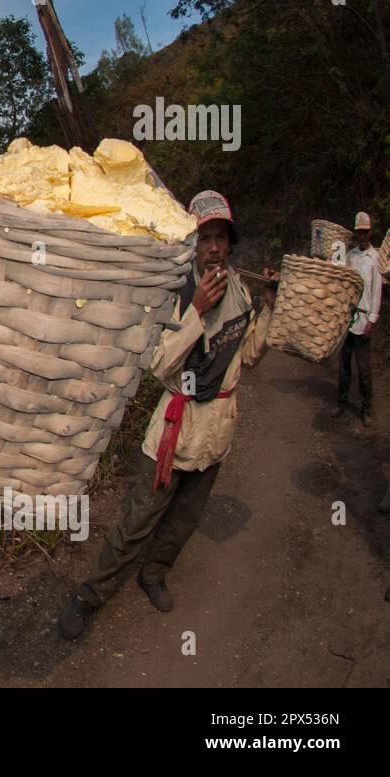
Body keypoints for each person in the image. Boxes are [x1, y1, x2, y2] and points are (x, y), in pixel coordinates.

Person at [58, 191, 277, 639]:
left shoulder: (241, 291)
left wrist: (271, 304)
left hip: (216, 431)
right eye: (205, 238)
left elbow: (250, 354)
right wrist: (196, 310)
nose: (214, 247)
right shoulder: (173, 291)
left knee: (185, 519)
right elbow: (158, 364)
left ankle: (154, 574)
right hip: (175, 428)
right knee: (138, 520)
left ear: (230, 244)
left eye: (221, 237)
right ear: (192, 245)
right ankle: (89, 595)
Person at [331, 211, 382, 428]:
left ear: (370, 233)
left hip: (363, 318)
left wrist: (372, 319)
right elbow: (340, 280)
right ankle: (342, 402)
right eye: (359, 232)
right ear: (355, 233)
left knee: (363, 368)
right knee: (344, 364)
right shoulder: (350, 255)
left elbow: (377, 290)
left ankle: (366, 408)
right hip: (348, 317)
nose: (362, 236)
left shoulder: (374, 259)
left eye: (365, 232)